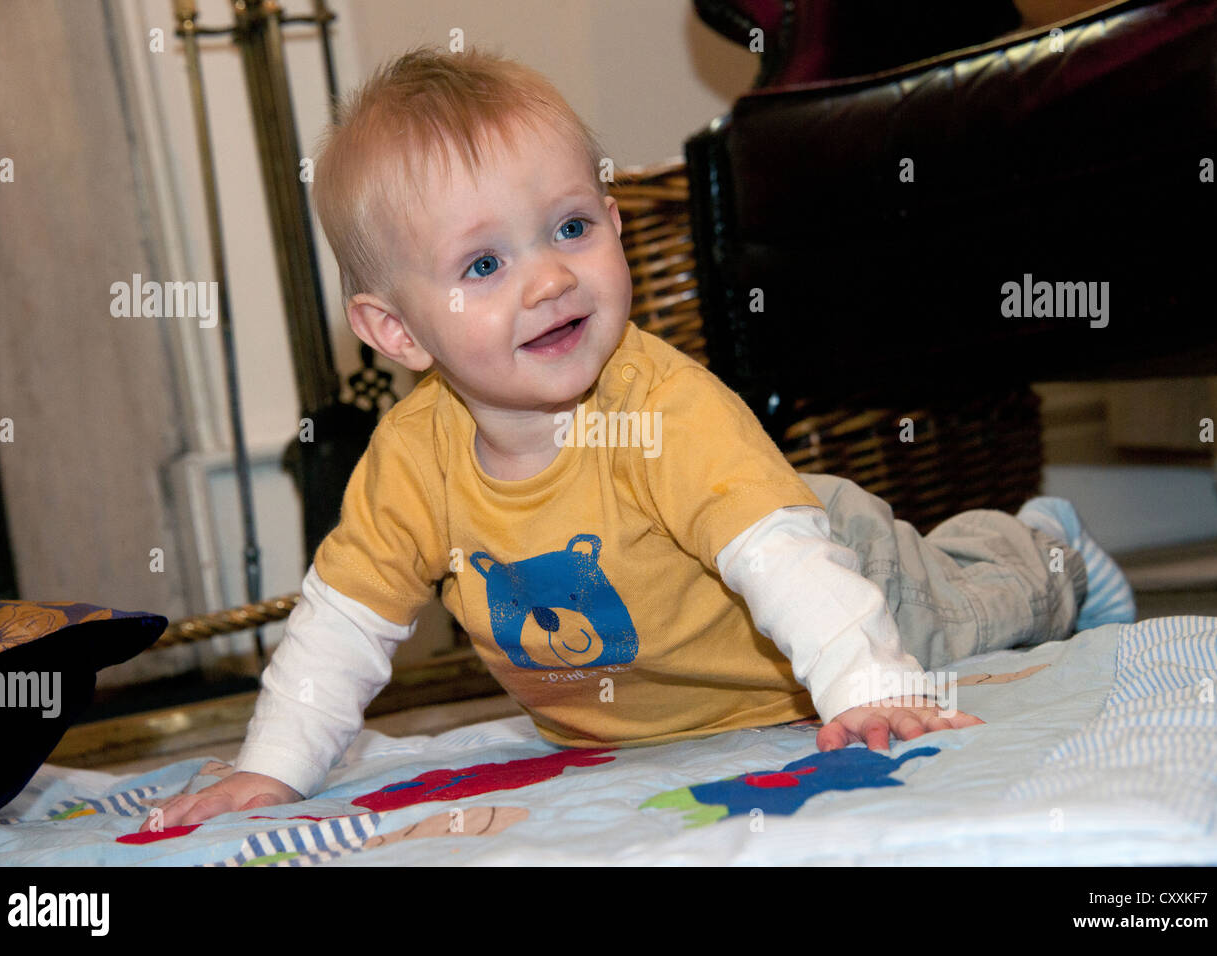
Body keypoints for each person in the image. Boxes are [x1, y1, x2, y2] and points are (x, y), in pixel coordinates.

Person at [140, 45, 1133, 832]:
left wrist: (868, 688)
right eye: (484, 261)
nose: (547, 278)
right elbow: (341, 623)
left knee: (963, 610)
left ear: (614, 224)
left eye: (570, 228)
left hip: (812, 564)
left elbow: (784, 559)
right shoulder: (409, 462)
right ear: (396, 331)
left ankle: (1050, 549)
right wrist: (269, 768)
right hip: (676, 663)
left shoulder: (660, 408)